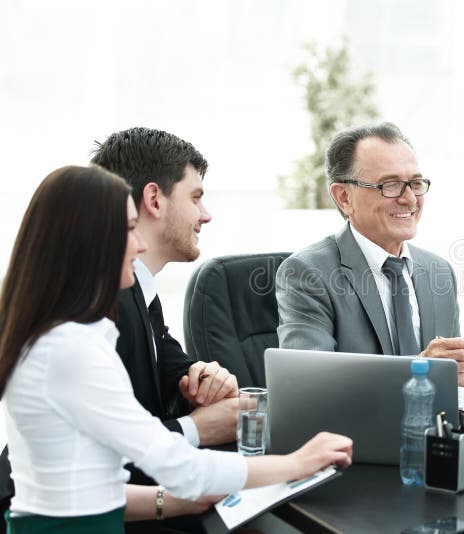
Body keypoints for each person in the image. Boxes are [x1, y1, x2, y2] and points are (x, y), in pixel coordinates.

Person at [0, 165, 353, 533]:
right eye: (128, 229)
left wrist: (172, 503)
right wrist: (298, 463)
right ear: (90, 242)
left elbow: (88, 492)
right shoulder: (72, 351)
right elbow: (182, 467)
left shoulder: (53, 336)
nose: (139, 245)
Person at [276, 122, 464, 389]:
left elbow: (440, 378)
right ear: (344, 197)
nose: (410, 199)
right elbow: (308, 385)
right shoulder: (306, 272)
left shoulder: (439, 271)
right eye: (391, 185)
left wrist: (461, 381)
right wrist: (418, 369)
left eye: (415, 183)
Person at [90, 127, 237, 452]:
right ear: (154, 200)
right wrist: (196, 430)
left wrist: (201, 379)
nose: (206, 215)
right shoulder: (100, 303)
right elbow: (101, 450)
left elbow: (173, 369)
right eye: (196, 197)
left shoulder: (139, 293)